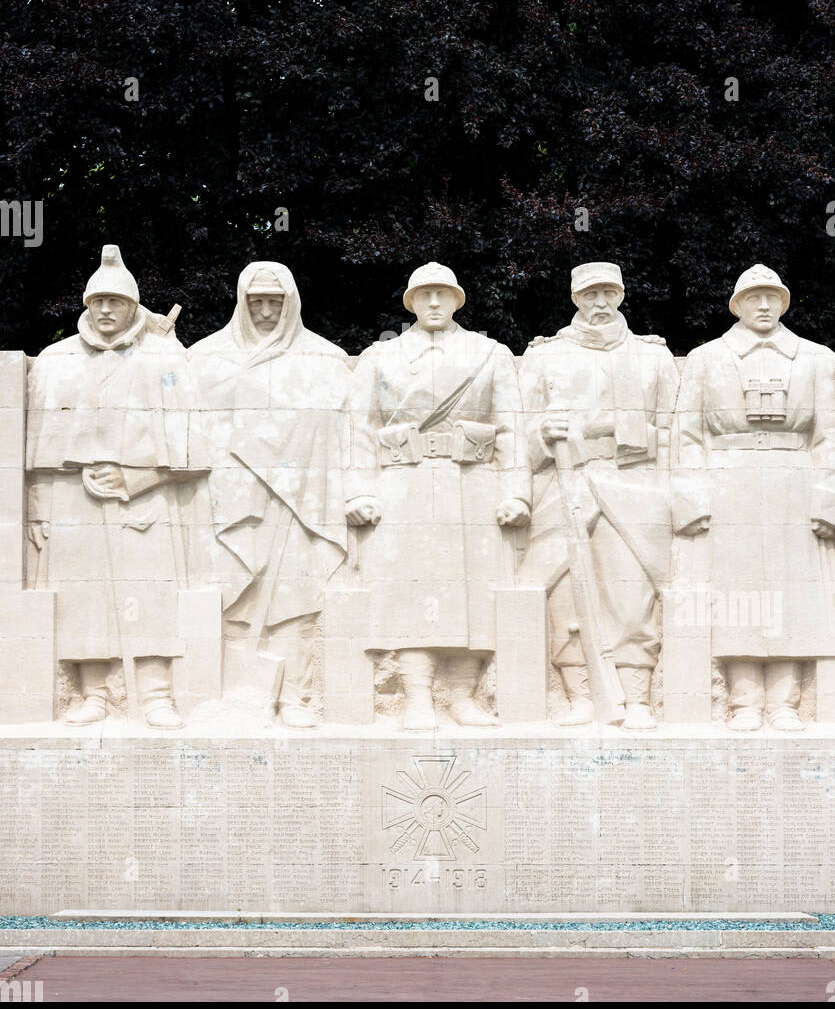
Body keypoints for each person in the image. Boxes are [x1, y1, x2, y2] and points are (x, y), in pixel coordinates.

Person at [25, 245, 204, 728]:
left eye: (117, 302)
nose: (106, 310)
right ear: (85, 305)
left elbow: (190, 441)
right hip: (72, 501)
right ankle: (96, 694)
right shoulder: (55, 360)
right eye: (98, 301)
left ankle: (155, 695)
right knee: (83, 598)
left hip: (145, 499)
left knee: (151, 594)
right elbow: (37, 447)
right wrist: (39, 508)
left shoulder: (163, 357)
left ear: (133, 307)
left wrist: (140, 477)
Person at [346, 263, 530, 729]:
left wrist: (517, 494)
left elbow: (512, 428)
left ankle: (464, 698)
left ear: (456, 300)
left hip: (472, 483)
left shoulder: (490, 354)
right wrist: (359, 491)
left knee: (474, 592)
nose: (433, 303)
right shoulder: (379, 358)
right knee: (410, 590)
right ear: (410, 302)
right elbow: (359, 430)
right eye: (424, 295)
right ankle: (417, 699)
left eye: (442, 295)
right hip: (403, 483)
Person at [673, 264, 835, 731]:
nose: (764, 306)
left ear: (784, 303)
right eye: (754, 298)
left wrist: (827, 499)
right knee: (737, 593)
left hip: (795, 478)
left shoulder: (817, 358)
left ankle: (785, 701)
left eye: (772, 298)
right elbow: (686, 433)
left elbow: (829, 436)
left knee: (793, 594)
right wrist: (692, 498)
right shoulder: (707, 358)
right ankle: (744, 700)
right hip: (730, 478)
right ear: (737, 305)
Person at [518, 262, 680, 729]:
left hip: (635, 485)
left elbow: (676, 430)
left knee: (632, 596)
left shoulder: (652, 357)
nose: (601, 303)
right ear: (575, 299)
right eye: (591, 294)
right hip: (565, 482)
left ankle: (637, 697)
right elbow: (517, 431)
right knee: (566, 596)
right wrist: (541, 432)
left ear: (622, 295)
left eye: (609, 292)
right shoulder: (546, 356)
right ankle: (581, 697)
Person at [187, 262, 349, 726]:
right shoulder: (206, 358)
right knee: (235, 597)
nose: (263, 310)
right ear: (240, 302)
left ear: (290, 302)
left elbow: (346, 427)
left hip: (301, 502)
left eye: (273, 301)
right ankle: (238, 692)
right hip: (232, 503)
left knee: (297, 597)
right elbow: (186, 422)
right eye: (254, 301)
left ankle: (294, 696)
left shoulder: (325, 358)